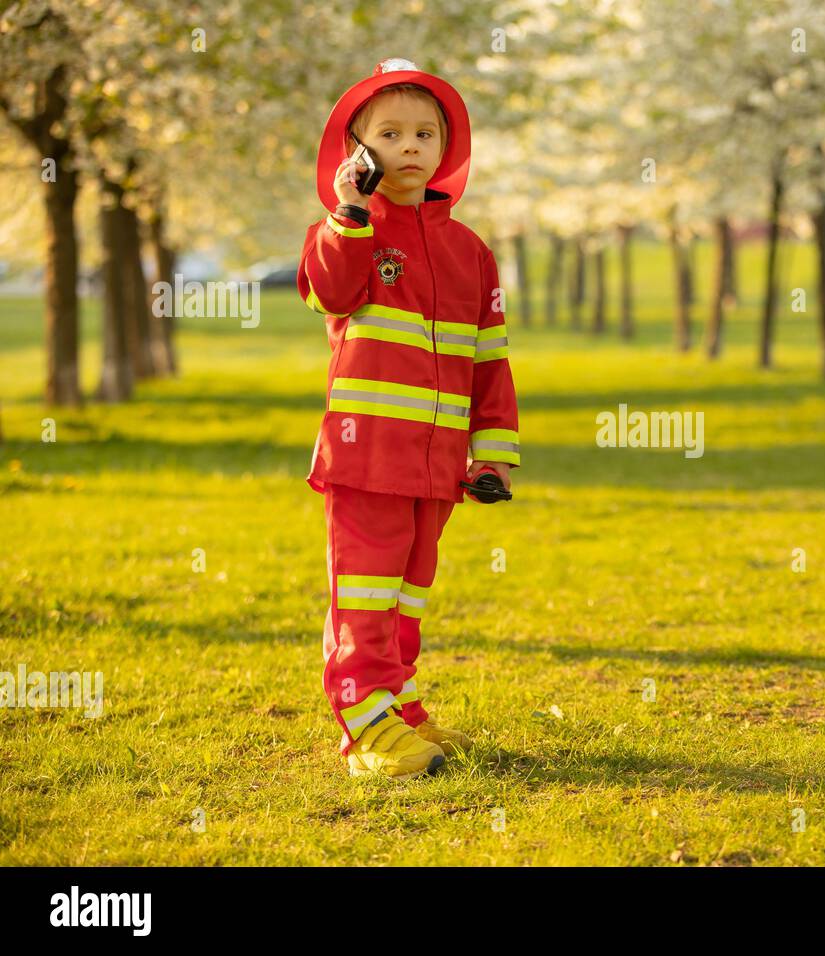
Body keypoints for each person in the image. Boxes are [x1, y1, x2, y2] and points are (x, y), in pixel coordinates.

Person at [297, 58, 519, 779]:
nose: (411, 145)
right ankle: (364, 720)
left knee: (409, 590)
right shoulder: (344, 231)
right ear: (357, 151)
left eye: (426, 132)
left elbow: (490, 364)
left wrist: (490, 457)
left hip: (437, 467)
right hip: (364, 462)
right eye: (390, 133)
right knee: (364, 591)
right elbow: (329, 294)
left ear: (448, 148)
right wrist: (349, 216)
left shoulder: (471, 251)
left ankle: (399, 702)